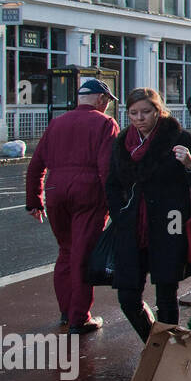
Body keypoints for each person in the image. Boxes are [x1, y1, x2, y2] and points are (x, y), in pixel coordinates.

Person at [105, 88, 191, 342]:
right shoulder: (122, 142)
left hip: (169, 225)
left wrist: (189, 165)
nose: (140, 118)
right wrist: (119, 214)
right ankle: (154, 343)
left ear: (158, 111)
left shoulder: (178, 138)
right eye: (133, 113)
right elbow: (112, 184)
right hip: (132, 228)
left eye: (146, 112)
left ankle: (168, 350)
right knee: (128, 297)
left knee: (166, 296)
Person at [25, 78, 121, 333]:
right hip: (89, 194)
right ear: (101, 99)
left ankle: (66, 311)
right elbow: (107, 168)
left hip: (55, 191)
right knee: (83, 255)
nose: (107, 106)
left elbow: (35, 166)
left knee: (66, 252)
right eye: (107, 102)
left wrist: (34, 202)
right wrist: (117, 204)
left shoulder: (57, 123)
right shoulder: (105, 124)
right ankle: (80, 318)